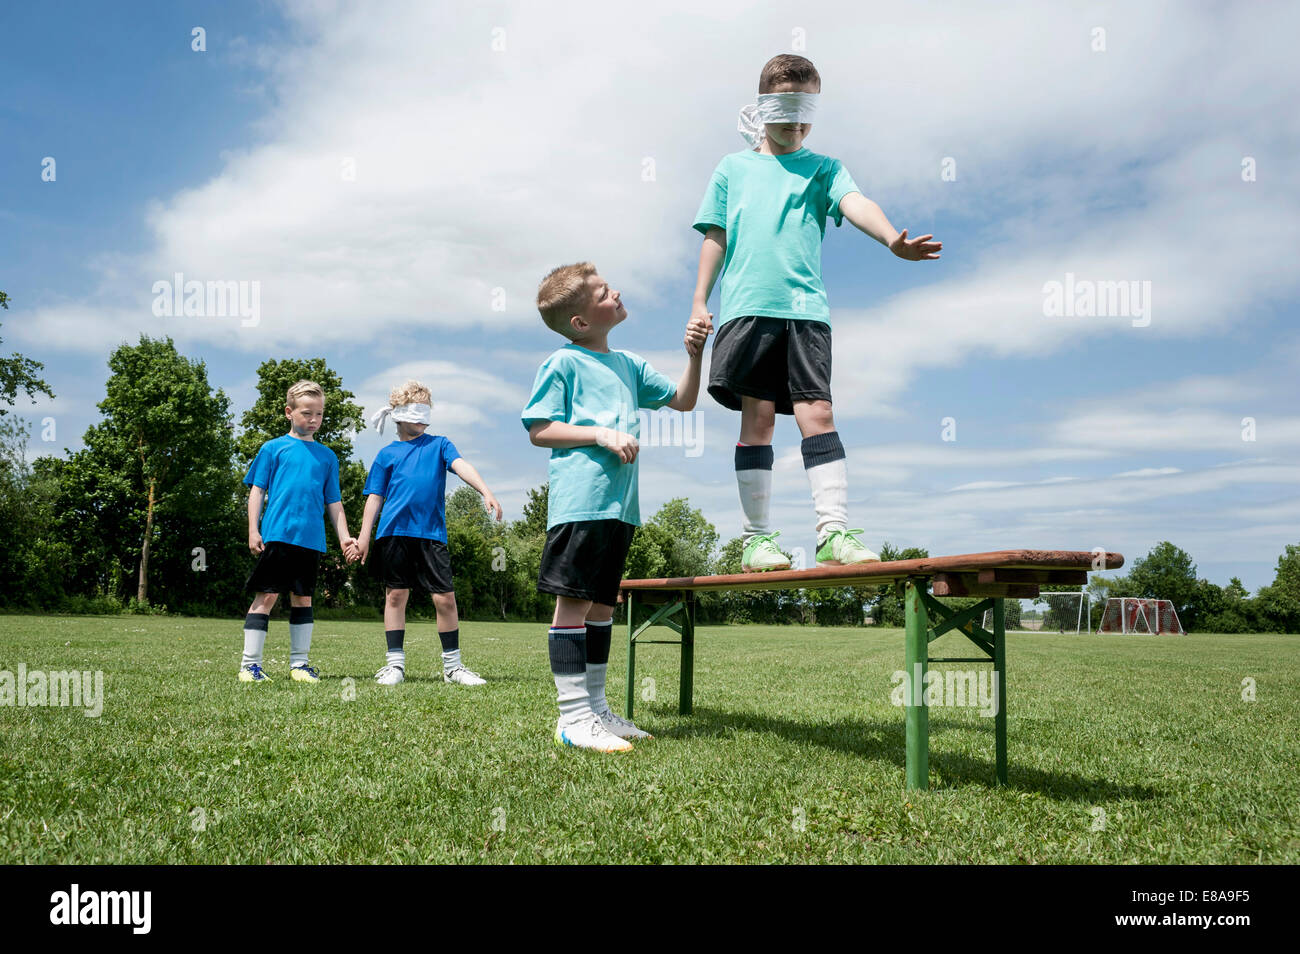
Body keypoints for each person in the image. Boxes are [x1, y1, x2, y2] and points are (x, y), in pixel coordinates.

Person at [691, 53, 942, 572]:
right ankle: (757, 540)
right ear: (764, 109)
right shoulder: (732, 168)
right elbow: (715, 235)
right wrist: (699, 300)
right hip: (748, 310)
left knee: (819, 414)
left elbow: (856, 202)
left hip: (807, 312)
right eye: (787, 114)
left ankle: (833, 533)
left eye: (808, 114)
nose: (798, 125)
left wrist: (892, 239)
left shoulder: (825, 168)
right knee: (757, 419)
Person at [523, 262, 709, 751]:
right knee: (575, 603)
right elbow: (539, 429)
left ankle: (598, 711)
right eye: (604, 292)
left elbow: (685, 401)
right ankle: (571, 718)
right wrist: (599, 433)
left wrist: (695, 354)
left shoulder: (628, 364)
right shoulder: (562, 364)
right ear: (580, 322)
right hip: (580, 503)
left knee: (603, 606)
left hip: (621, 508)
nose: (617, 292)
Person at [356, 380, 502, 687]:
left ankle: (453, 667)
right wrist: (364, 537)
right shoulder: (386, 454)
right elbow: (374, 499)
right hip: (394, 533)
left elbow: (462, 465)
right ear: (398, 414)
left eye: (426, 411)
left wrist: (485, 491)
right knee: (396, 596)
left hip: (431, 534)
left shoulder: (440, 445)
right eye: (415, 411)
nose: (422, 418)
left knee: (445, 599)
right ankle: (394, 665)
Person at [239, 379, 358, 683]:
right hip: (278, 534)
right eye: (307, 413)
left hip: (311, 540)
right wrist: (253, 529)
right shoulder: (273, 448)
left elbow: (334, 503)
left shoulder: (328, 457)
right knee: (266, 596)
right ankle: (249, 666)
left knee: (303, 598)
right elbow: (256, 491)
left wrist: (345, 537)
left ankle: (299, 665)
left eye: (319, 414)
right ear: (289, 412)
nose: (314, 420)